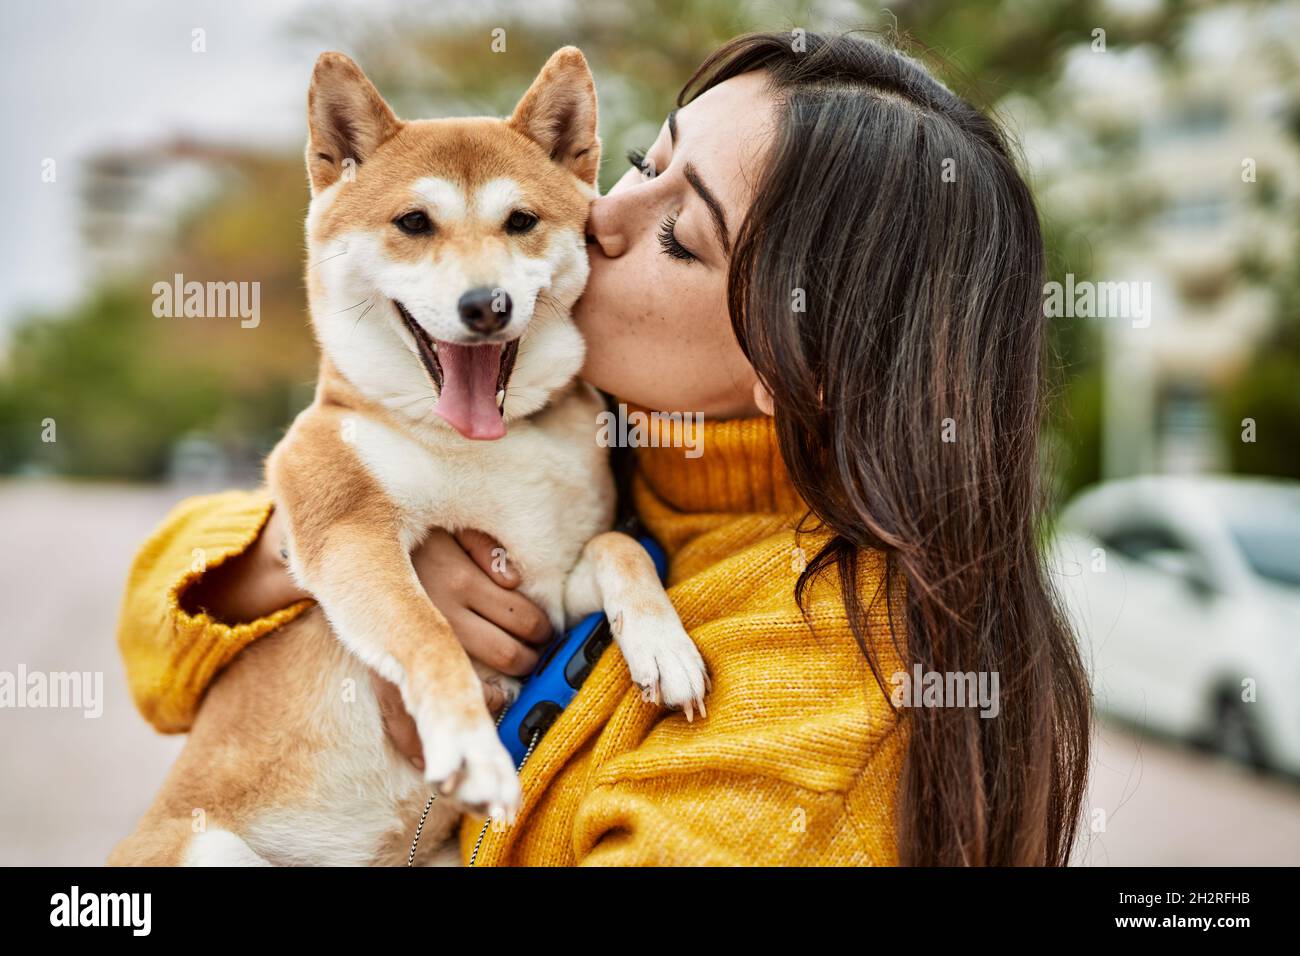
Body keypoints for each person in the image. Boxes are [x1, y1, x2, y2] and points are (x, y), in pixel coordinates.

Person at [116, 30, 1091, 866]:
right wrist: (309, 567)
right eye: (641, 158)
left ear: (805, 355)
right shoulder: (594, 421)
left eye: (683, 235)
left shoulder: (825, 698)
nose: (600, 215)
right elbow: (152, 642)